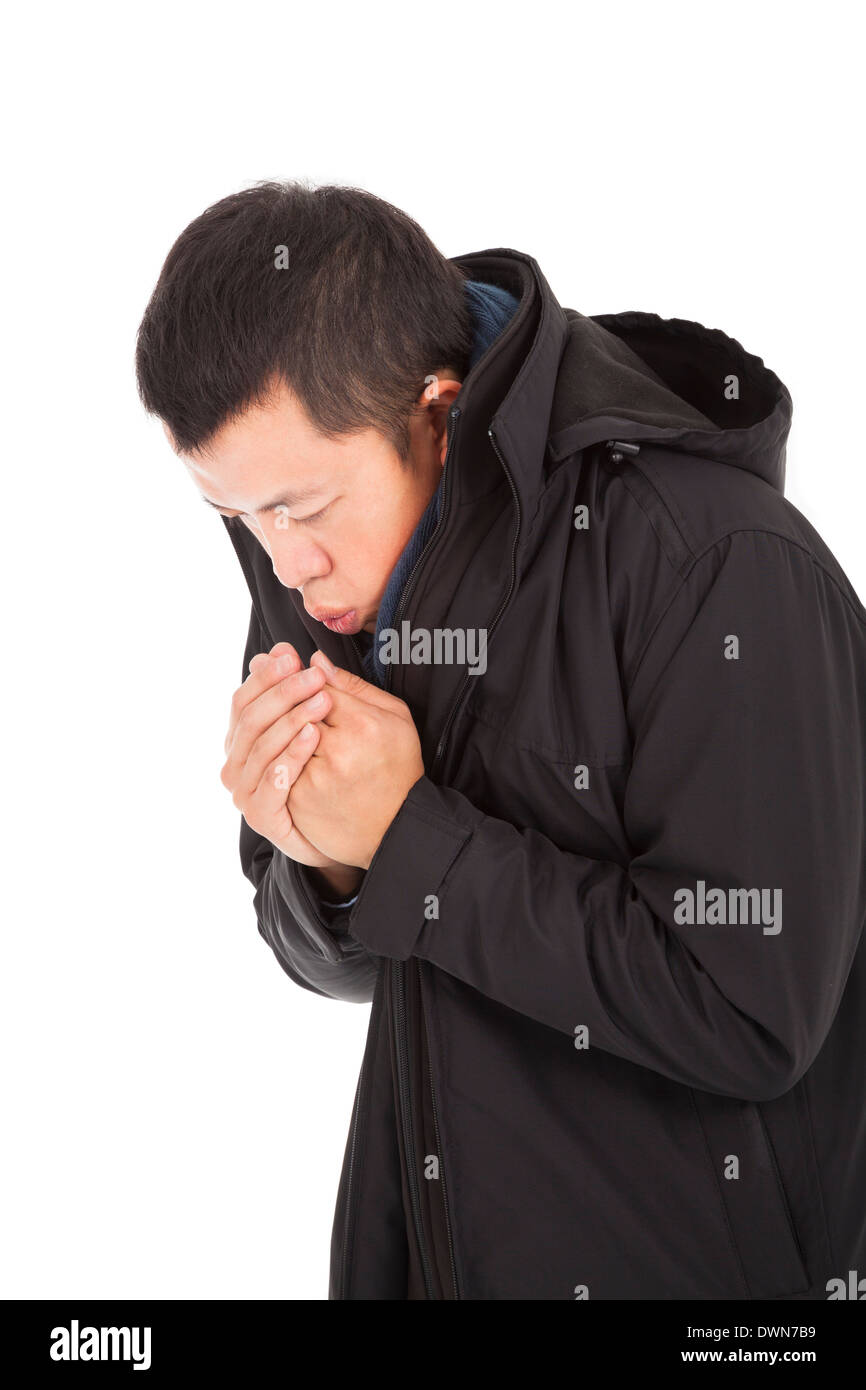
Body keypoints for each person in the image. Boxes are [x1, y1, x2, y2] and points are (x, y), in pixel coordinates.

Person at [135, 180, 866, 1300]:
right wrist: (323, 863)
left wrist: (406, 840)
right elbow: (357, 958)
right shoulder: (326, 563)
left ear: (433, 408)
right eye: (237, 520)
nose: (284, 567)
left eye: (298, 507)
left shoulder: (716, 567)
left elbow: (750, 1012)